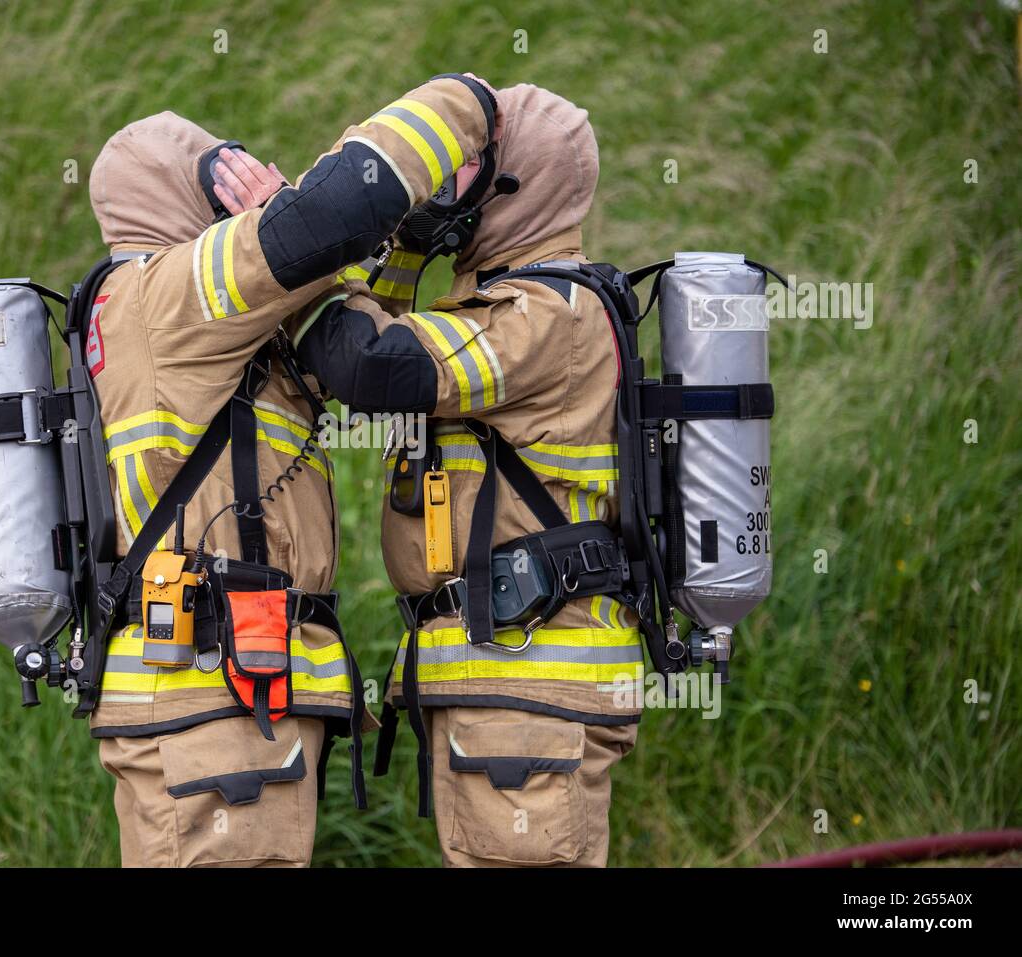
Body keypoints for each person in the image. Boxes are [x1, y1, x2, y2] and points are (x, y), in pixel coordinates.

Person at [84, 74, 501, 866]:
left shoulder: (217, 334)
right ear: (182, 208)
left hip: (236, 706)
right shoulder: (166, 295)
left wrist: (409, 244)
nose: (243, 214)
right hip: (208, 711)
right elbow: (328, 219)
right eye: (223, 191)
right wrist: (470, 104)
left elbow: (355, 333)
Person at [296, 84, 642, 867]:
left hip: (531, 684)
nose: (447, 184)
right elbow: (382, 356)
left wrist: (307, 264)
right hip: (506, 681)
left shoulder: (547, 312)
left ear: (515, 183)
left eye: (467, 166)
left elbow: (374, 365)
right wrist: (407, 252)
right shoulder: (497, 301)